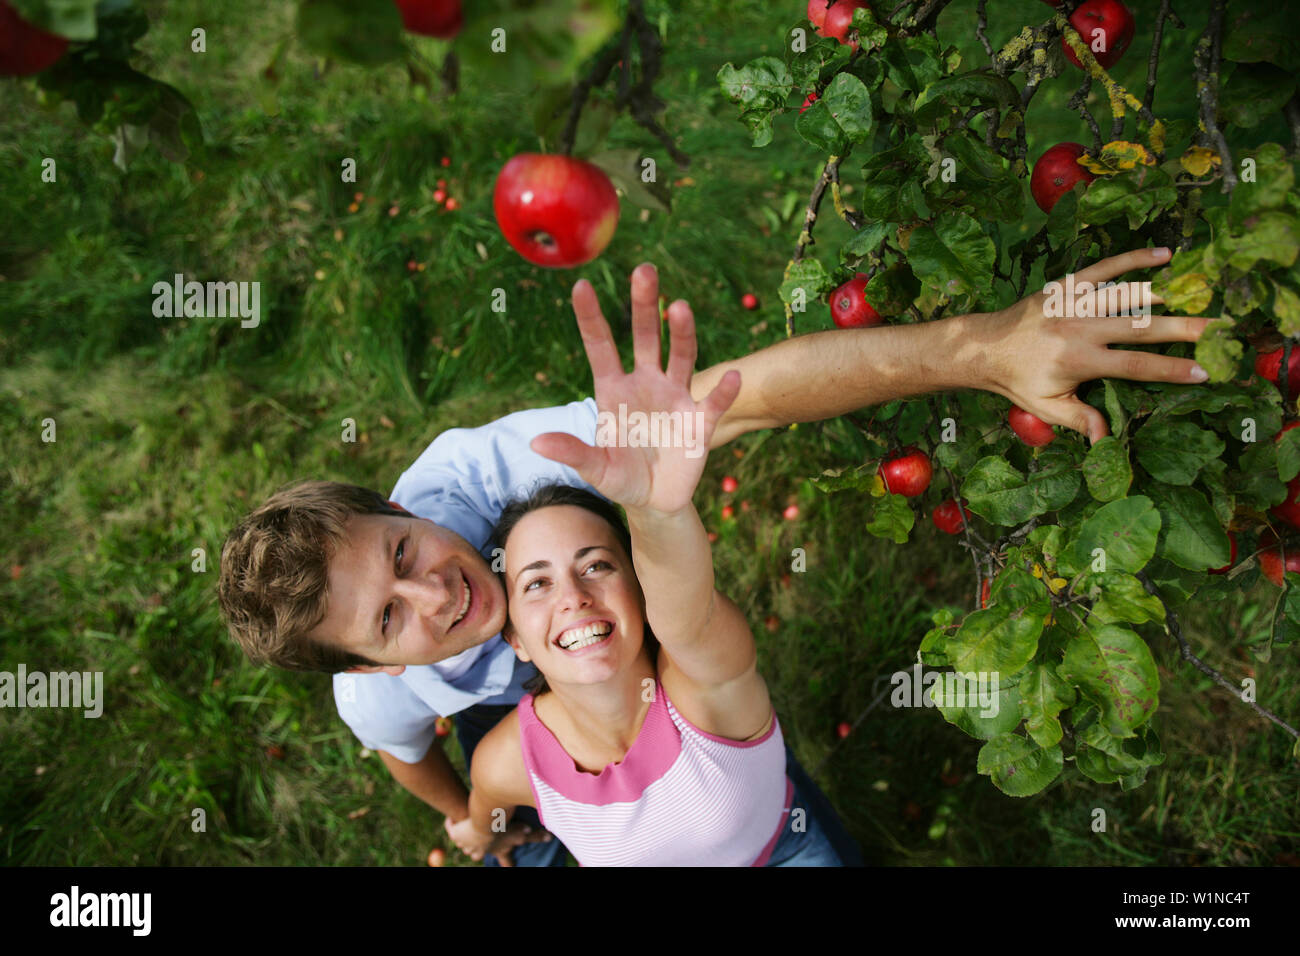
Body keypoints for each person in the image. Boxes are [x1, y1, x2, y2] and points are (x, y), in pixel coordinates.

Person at [217, 249, 1210, 864]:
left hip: (662, 675)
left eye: (402, 547)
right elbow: (409, 757)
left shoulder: (496, 475)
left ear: (402, 505)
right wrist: (472, 819)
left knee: (731, 774)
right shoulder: (380, 697)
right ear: (369, 664)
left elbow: (742, 401)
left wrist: (984, 348)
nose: (432, 588)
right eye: (388, 617)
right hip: (515, 738)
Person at [456, 305, 853, 864]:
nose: (573, 596)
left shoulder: (703, 684)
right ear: (515, 638)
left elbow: (690, 615)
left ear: (642, 593)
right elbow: (488, 803)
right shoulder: (507, 761)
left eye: (596, 565)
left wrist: (657, 514)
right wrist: (479, 831)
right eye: (536, 584)